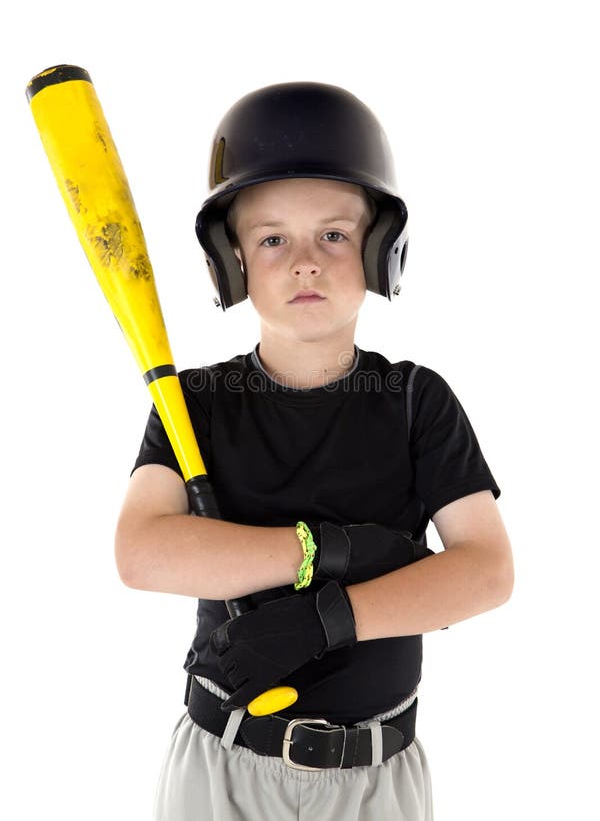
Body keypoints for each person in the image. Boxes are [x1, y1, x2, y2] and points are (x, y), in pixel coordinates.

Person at [115, 82, 514, 821]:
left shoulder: (414, 401)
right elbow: (144, 553)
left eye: (333, 234)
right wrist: (325, 552)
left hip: (375, 774)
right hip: (222, 762)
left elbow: (485, 572)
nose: (305, 262)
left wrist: (329, 618)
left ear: (377, 249)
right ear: (231, 260)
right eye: (272, 239)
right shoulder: (193, 401)